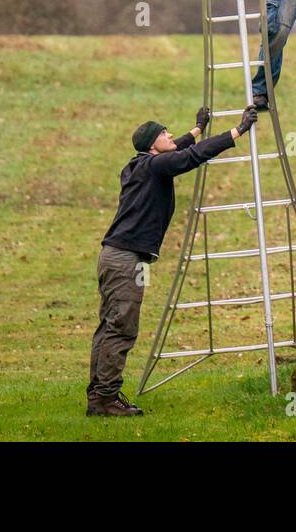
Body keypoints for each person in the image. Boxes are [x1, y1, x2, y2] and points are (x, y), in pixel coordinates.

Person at [86, 104, 257, 416]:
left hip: (113, 257)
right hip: (126, 261)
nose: (169, 135)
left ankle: (98, 396)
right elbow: (189, 157)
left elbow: (177, 148)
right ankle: (106, 399)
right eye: (163, 133)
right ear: (153, 145)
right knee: (121, 329)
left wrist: (197, 128)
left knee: (108, 327)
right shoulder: (156, 166)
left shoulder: (138, 164)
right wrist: (237, 131)